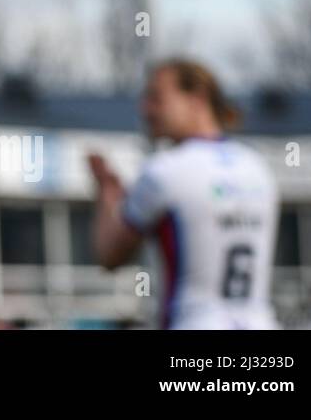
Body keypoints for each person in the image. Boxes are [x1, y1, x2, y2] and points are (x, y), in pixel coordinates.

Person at [88, 58, 279, 329]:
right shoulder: (258, 168)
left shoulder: (164, 171)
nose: (145, 109)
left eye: (156, 97)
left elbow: (109, 256)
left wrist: (106, 191)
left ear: (197, 98)